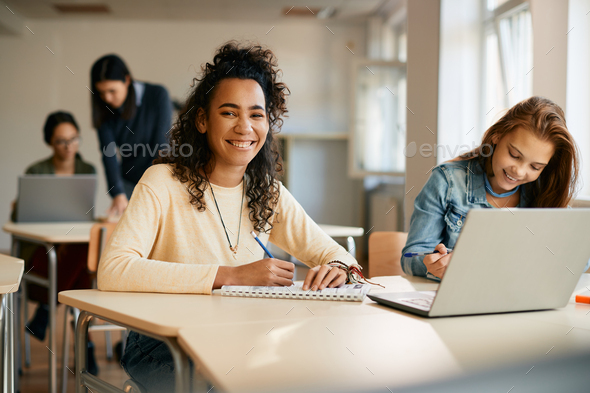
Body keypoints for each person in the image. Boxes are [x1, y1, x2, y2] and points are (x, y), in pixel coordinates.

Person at [97, 42, 357, 392]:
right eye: (229, 113)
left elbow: (339, 255)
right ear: (202, 120)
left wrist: (338, 269)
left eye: (256, 114)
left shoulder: (268, 192)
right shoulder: (162, 181)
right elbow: (113, 270)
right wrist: (230, 276)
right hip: (163, 341)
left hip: (242, 337)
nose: (245, 127)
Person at [401, 96, 585, 279]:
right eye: (514, 155)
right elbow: (411, 256)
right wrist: (431, 264)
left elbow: (581, 258)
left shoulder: (545, 192)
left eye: (535, 167)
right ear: (497, 135)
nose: (519, 172)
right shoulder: (447, 181)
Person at [11, 111, 100, 375]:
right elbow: (20, 220)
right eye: (62, 141)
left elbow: (86, 217)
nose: (69, 146)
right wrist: (18, 208)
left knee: (83, 247)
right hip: (41, 259)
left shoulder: (87, 170)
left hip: (67, 263)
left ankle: (46, 311)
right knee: (81, 262)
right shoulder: (36, 171)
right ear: (50, 142)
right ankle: (86, 349)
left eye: (74, 139)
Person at [90, 54, 172, 218]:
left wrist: (151, 188)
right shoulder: (105, 110)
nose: (107, 98)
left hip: (159, 177)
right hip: (128, 183)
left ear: (127, 80)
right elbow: (109, 155)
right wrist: (118, 193)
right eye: (101, 92)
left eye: (112, 91)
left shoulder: (157, 95)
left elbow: (161, 145)